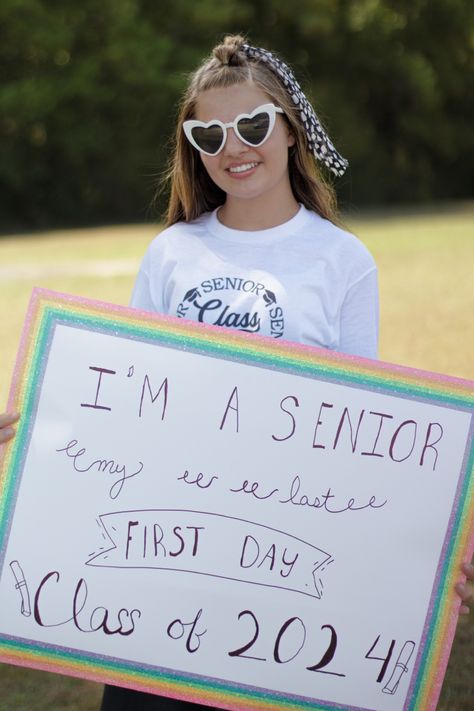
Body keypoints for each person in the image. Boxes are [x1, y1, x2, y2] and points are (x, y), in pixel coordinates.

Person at [0, 34, 472, 710]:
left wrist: (435, 550)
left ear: (289, 129)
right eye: (209, 134)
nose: (233, 147)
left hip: (281, 570)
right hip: (165, 562)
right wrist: (31, 442)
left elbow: (363, 440)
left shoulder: (342, 261)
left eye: (251, 125)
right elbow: (122, 412)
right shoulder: (170, 254)